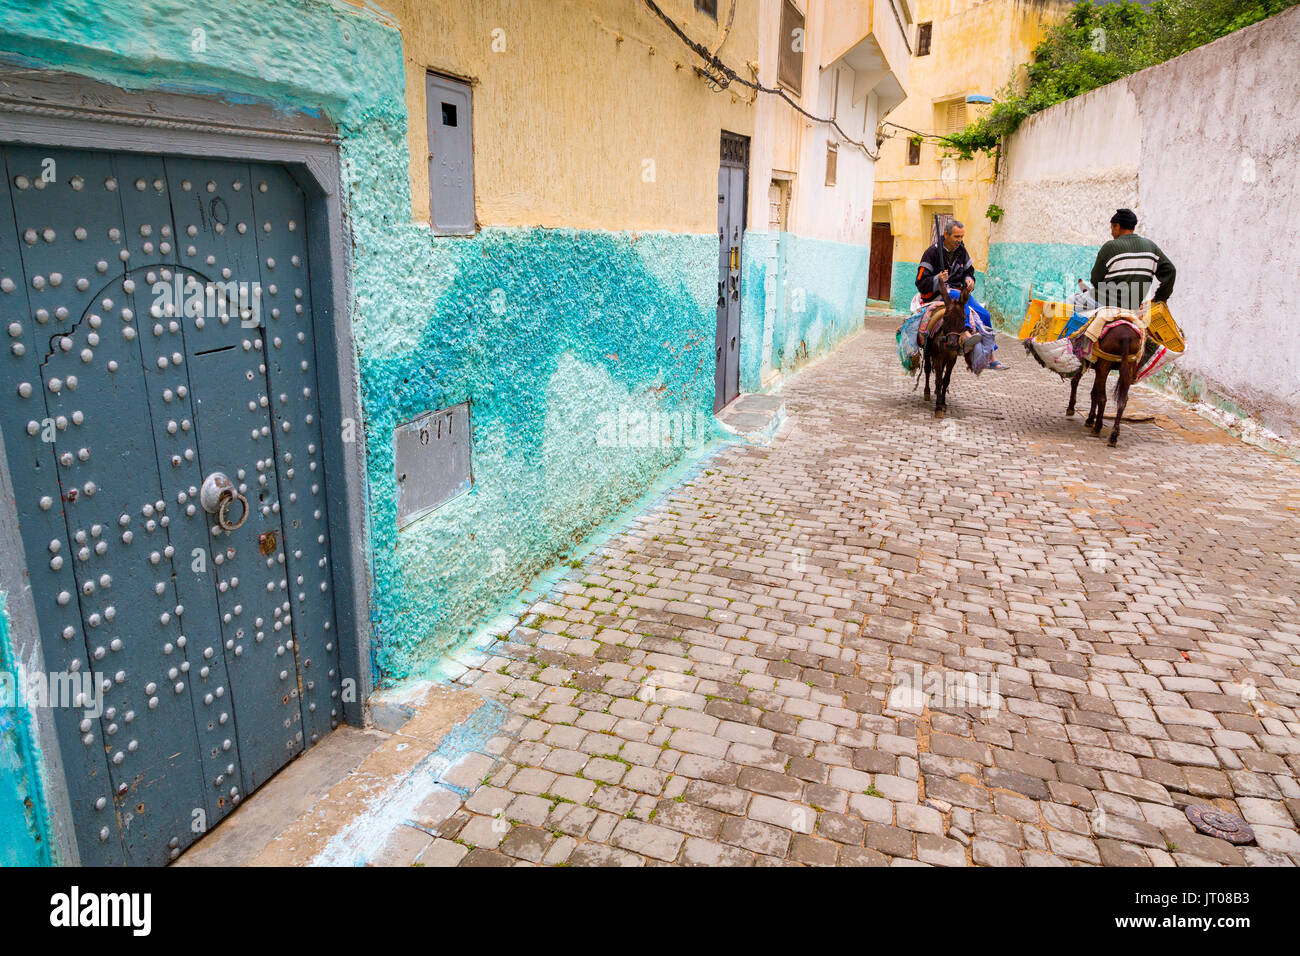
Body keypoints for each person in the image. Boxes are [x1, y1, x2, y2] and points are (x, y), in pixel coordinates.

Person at [915, 220, 1005, 367]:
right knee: (957, 298)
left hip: (958, 292)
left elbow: (969, 272)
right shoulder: (931, 253)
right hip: (938, 294)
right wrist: (938, 279)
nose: (960, 240)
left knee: (985, 314)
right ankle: (965, 334)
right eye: (956, 237)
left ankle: (990, 355)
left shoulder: (961, 251)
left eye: (962, 237)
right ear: (946, 234)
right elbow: (920, 282)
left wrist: (969, 280)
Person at [1089, 208, 1176, 311]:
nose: (1111, 232)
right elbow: (1171, 270)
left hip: (1106, 302)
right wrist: (1160, 298)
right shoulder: (1151, 247)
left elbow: (1095, 280)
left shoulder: (1110, 247)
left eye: (1112, 227)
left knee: (1073, 300)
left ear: (1118, 226)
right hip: (1134, 305)